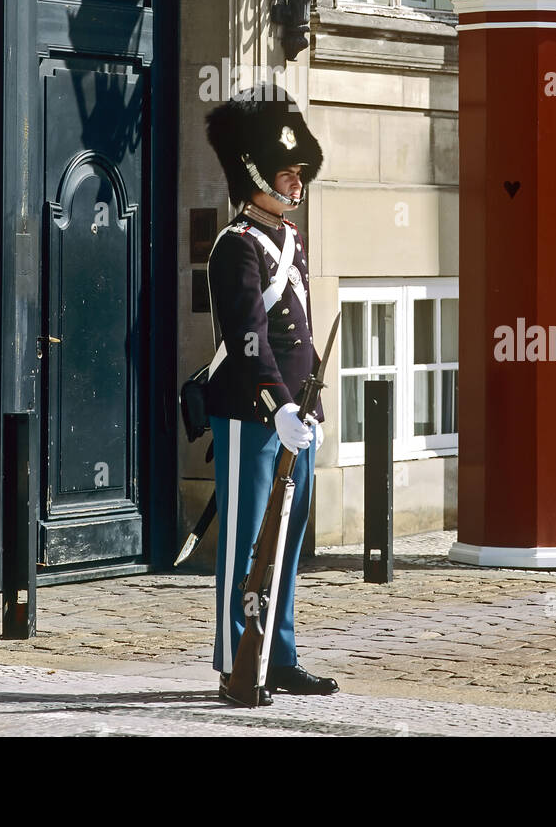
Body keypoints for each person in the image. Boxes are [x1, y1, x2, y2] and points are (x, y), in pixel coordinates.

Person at [204, 84, 339, 704]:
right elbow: (249, 337)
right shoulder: (236, 246)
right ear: (254, 173)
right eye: (288, 173)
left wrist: (307, 406)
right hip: (254, 415)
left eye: (299, 173)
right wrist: (279, 404)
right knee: (246, 544)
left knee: (284, 541)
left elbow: (300, 334)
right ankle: (238, 661)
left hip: (295, 416)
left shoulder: (289, 241)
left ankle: (277, 653)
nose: (297, 184)